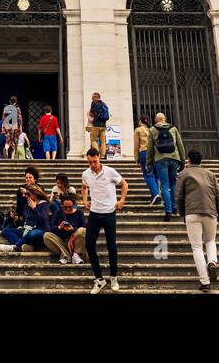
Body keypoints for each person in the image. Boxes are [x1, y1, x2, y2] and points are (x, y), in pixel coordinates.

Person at [175, 149, 219, 291]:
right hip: (211, 212)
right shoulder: (210, 174)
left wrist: (182, 213)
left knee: (196, 247)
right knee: (210, 240)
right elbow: (218, 196)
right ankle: (212, 261)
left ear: (189, 160)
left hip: (192, 212)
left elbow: (179, 196)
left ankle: (205, 282)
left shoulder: (184, 173)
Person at [81, 148, 127, 293]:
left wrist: (122, 200)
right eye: (89, 162)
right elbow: (83, 187)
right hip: (94, 214)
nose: (92, 165)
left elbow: (124, 184)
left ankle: (113, 277)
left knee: (111, 246)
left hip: (109, 214)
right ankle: (99, 279)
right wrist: (84, 200)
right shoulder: (86, 174)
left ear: (99, 158)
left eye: (94, 161)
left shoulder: (110, 171)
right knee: (89, 245)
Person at [150, 111, 187, 221]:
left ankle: (168, 211)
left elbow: (150, 149)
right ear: (165, 119)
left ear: (156, 120)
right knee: (173, 183)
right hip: (174, 158)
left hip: (160, 159)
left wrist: (148, 162)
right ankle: (175, 207)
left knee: (165, 185)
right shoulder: (173, 128)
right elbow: (180, 145)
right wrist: (183, 160)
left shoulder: (152, 130)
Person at [0, 185, 50, 253]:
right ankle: (24, 246)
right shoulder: (26, 205)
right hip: (26, 230)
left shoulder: (43, 204)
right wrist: (16, 218)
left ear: (35, 194)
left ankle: (15, 246)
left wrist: (34, 208)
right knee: (6, 230)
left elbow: (43, 220)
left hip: (40, 230)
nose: (26, 196)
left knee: (32, 234)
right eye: (25, 194)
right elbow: (25, 220)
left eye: (28, 194)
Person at [43, 192, 87, 264]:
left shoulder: (79, 213)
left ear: (74, 205)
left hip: (75, 242)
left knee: (83, 230)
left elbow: (84, 228)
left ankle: (76, 254)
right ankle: (66, 256)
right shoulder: (59, 212)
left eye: (70, 207)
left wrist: (73, 229)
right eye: (65, 207)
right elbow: (51, 227)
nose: (68, 209)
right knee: (46, 235)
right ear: (62, 205)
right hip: (62, 241)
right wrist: (59, 227)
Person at [134, 116, 161, 205]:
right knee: (156, 176)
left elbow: (136, 145)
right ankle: (155, 196)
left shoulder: (138, 130)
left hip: (144, 153)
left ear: (140, 121)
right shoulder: (153, 129)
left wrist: (136, 157)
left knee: (148, 175)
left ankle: (156, 194)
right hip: (155, 154)